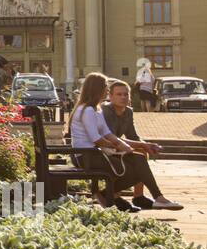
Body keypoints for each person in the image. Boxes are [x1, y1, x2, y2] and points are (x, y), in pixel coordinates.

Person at [67, 73, 183, 212]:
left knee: (139, 159)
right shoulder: (86, 110)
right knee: (135, 170)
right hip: (87, 156)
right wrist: (117, 147)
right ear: (97, 89)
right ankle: (113, 195)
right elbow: (96, 139)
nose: (107, 90)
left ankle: (157, 197)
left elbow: (107, 134)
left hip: (96, 154)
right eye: (105, 87)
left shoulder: (96, 109)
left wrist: (125, 146)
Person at [102, 80, 182, 210]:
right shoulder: (106, 111)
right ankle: (157, 197)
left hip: (116, 148)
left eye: (126, 94)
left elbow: (133, 136)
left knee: (142, 151)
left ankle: (138, 196)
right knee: (138, 158)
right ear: (110, 96)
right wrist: (144, 145)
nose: (123, 97)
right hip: (103, 149)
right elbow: (112, 138)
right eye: (119, 94)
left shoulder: (128, 111)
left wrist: (147, 145)